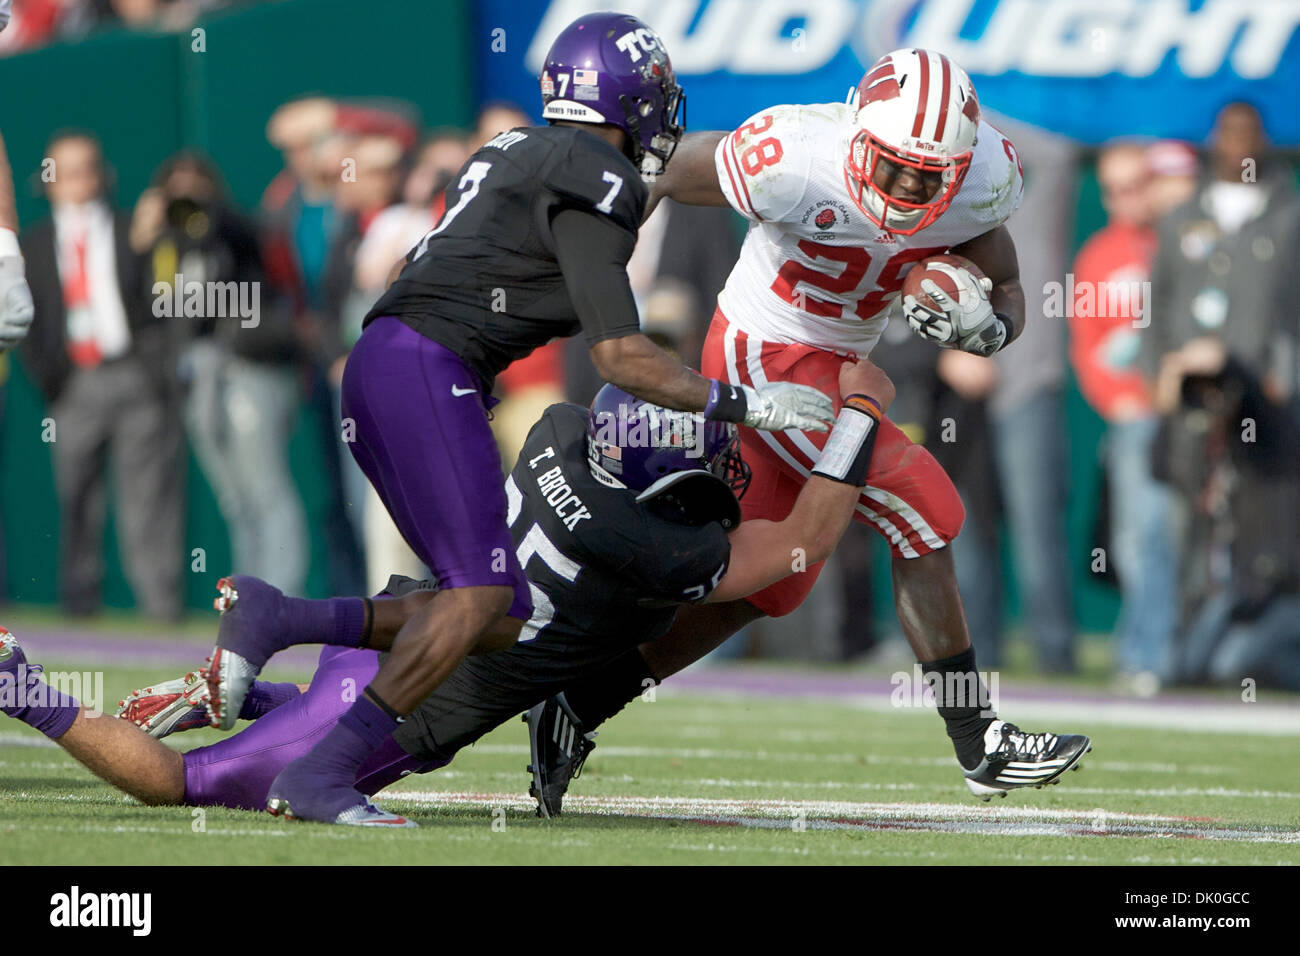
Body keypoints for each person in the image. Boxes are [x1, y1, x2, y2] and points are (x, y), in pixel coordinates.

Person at [204, 12, 834, 826]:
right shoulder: (597, 179)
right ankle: (324, 771)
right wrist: (747, 402)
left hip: (391, 363)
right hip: (429, 372)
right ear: (626, 100)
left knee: (492, 610)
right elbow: (621, 359)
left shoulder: (511, 151)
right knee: (478, 600)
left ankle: (279, 616)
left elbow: (420, 268)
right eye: (652, 96)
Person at [525, 48, 1093, 809]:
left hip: (840, 364)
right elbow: (655, 171)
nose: (906, 190)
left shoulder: (983, 177)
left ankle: (574, 703)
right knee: (925, 504)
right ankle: (978, 741)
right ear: (858, 137)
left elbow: (1011, 284)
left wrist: (990, 330)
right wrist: (596, 287)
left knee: (773, 578)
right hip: (765, 349)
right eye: (892, 168)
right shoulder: (791, 155)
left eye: (929, 178)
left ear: (959, 170)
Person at [3, 356, 899, 824]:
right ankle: (26, 693)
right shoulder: (647, 545)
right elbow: (802, 544)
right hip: (410, 694)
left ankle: (231, 690)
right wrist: (860, 413)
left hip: (402, 622)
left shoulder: (558, 431)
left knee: (311, 702)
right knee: (183, 788)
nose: (721, 476)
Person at [19, 131, 183, 619]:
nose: (76, 181)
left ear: (102, 174)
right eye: (63, 171)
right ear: (47, 181)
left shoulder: (136, 228)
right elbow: (27, 318)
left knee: (149, 501)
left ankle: (161, 609)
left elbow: (168, 298)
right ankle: (79, 610)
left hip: (134, 375)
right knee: (76, 502)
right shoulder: (33, 243)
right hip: (73, 383)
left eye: (85, 168)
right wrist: (52, 379)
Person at [1069, 142, 1180, 695]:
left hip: (1185, 415)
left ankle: (1156, 652)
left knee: (1167, 536)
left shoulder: (1180, 242)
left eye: (1134, 185)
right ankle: (1145, 653)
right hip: (1135, 415)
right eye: (1112, 190)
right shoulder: (1099, 255)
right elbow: (1087, 346)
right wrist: (1118, 399)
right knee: (1138, 538)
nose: (1123, 200)